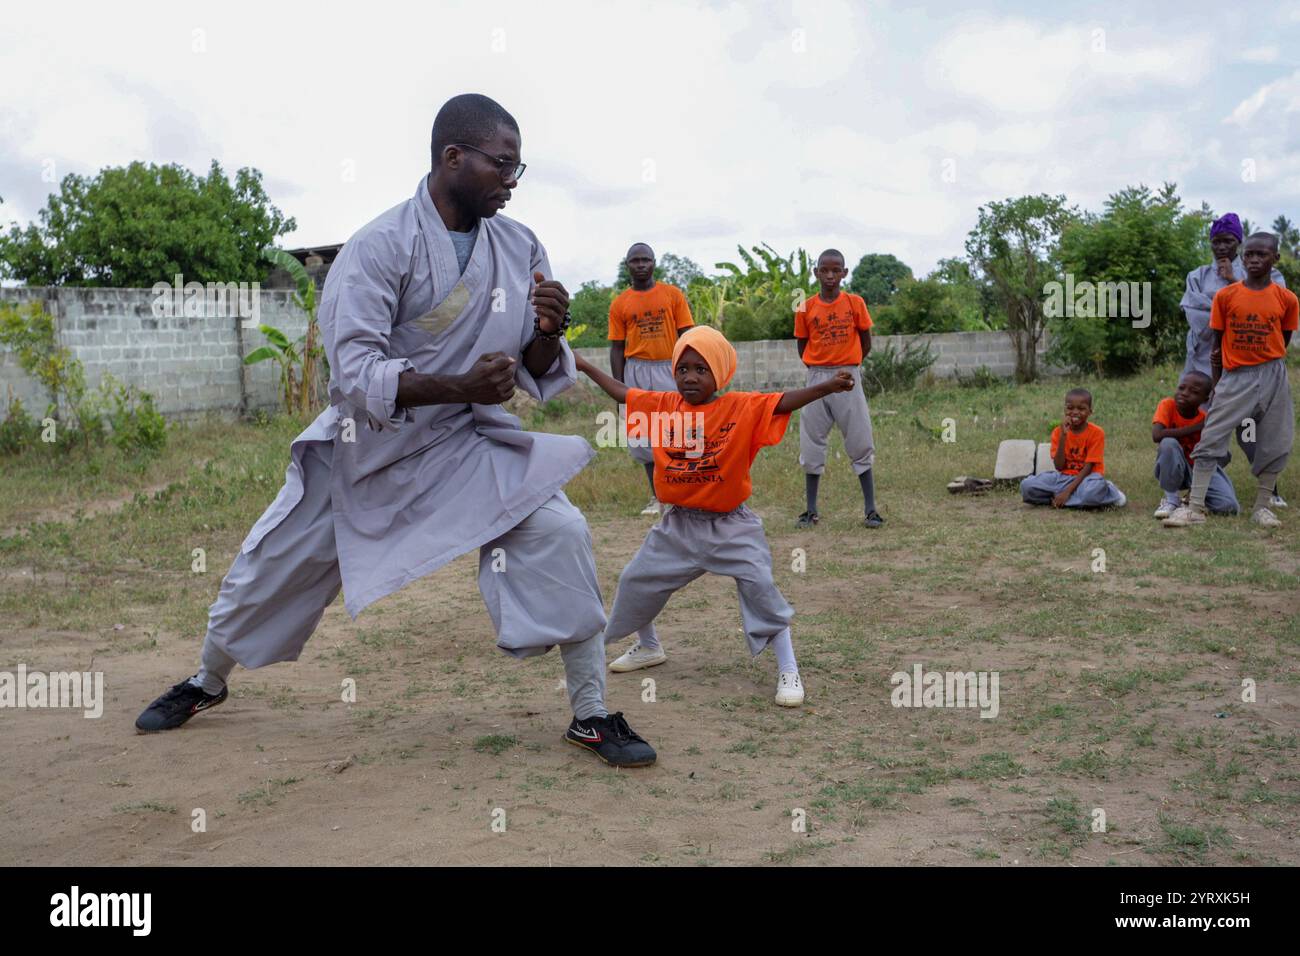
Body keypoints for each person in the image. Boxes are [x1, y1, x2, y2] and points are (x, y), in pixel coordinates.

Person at [134, 94, 656, 769]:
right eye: (502, 165)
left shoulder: (519, 246)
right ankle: (207, 680)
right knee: (266, 570)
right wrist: (460, 384)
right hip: (365, 451)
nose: (512, 181)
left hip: (466, 443)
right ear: (452, 157)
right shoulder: (379, 248)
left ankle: (590, 713)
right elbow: (353, 374)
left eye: (519, 168)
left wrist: (549, 333)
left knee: (561, 532)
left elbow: (532, 368)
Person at [574, 327, 855, 706]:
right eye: (683, 369)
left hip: (730, 525)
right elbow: (622, 393)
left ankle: (788, 667)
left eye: (701, 370)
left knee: (760, 588)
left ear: (720, 373)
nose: (690, 377)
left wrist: (828, 387)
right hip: (677, 525)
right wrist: (582, 365)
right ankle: (648, 646)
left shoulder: (740, 407)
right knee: (635, 581)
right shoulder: (663, 407)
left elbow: (785, 401)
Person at [1166, 233, 1296, 530]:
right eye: (1249, 254)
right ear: (1243, 257)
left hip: (1273, 373)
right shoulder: (1226, 297)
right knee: (1212, 436)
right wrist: (1219, 382)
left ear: (1275, 259)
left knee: (1275, 439)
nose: (1253, 260)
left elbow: (1284, 338)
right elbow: (1217, 345)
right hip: (1235, 375)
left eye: (1261, 255)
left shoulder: (1286, 299)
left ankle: (1263, 506)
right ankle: (1195, 507)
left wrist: (1269, 362)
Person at [794, 250, 883, 528]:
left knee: (859, 436)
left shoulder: (855, 303)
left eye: (836, 270)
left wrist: (850, 366)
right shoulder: (805, 307)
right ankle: (810, 510)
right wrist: (819, 368)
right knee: (811, 440)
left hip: (848, 374)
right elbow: (802, 345)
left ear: (844, 273)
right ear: (816, 272)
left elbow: (865, 341)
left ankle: (870, 509)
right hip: (817, 377)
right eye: (825, 270)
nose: (830, 276)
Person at [608, 243, 694, 516]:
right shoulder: (620, 303)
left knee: (677, 431)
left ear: (654, 263)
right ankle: (657, 497)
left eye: (646, 260)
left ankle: (683, 494)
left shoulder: (672, 295)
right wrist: (619, 390)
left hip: (670, 367)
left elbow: (688, 335)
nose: (641, 265)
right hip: (637, 370)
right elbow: (616, 349)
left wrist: (689, 371)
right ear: (627, 265)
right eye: (635, 261)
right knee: (643, 435)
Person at [1019, 388, 1127, 509]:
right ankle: (1070, 500)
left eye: (1081, 409)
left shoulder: (1097, 433)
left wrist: (1067, 493)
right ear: (1065, 409)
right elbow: (1059, 466)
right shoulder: (1058, 432)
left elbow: (1089, 468)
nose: (1075, 412)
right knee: (1026, 486)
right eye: (1070, 408)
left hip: (1088, 479)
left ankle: (1110, 492)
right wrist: (1063, 437)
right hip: (1063, 478)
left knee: (1090, 492)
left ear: (1090, 412)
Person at [1151, 371, 1238, 519]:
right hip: (1176, 467)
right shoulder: (1168, 405)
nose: (1184, 393)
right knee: (1168, 443)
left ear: (1204, 399)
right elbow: (1157, 435)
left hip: (1200, 469)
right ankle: (1171, 500)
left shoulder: (1206, 419)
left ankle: (1191, 500)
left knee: (1229, 507)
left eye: (1194, 392)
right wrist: (1197, 428)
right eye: (1181, 388)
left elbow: (1223, 455)